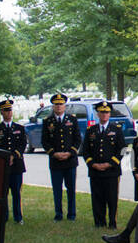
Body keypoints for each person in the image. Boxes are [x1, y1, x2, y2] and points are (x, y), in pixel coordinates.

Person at [83, 101, 125, 229]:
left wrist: (110, 163)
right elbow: (85, 150)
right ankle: (99, 222)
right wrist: (93, 164)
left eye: (106, 112)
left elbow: (122, 149)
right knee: (97, 198)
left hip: (111, 171)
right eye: (102, 112)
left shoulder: (116, 130)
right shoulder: (91, 130)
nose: (104, 115)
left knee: (112, 198)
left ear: (110, 114)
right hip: (95, 170)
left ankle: (112, 222)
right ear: (97, 114)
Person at [40, 93, 81, 221]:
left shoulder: (72, 120)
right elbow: (44, 141)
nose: (58, 106)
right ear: (53, 106)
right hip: (55, 161)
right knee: (57, 190)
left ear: (65, 106)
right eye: (56, 104)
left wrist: (70, 153)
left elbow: (77, 139)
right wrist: (54, 153)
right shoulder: (48, 121)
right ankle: (58, 214)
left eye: (61, 104)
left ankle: (72, 214)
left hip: (70, 161)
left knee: (71, 189)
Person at [0, 98, 28, 224]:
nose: (8, 113)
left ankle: (18, 217)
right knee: (3, 193)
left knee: (16, 193)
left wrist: (14, 156)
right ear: (1, 112)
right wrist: (4, 158)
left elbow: (22, 144)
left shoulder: (19, 128)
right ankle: (3, 216)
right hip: (3, 166)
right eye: (6, 111)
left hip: (16, 166)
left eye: (10, 110)